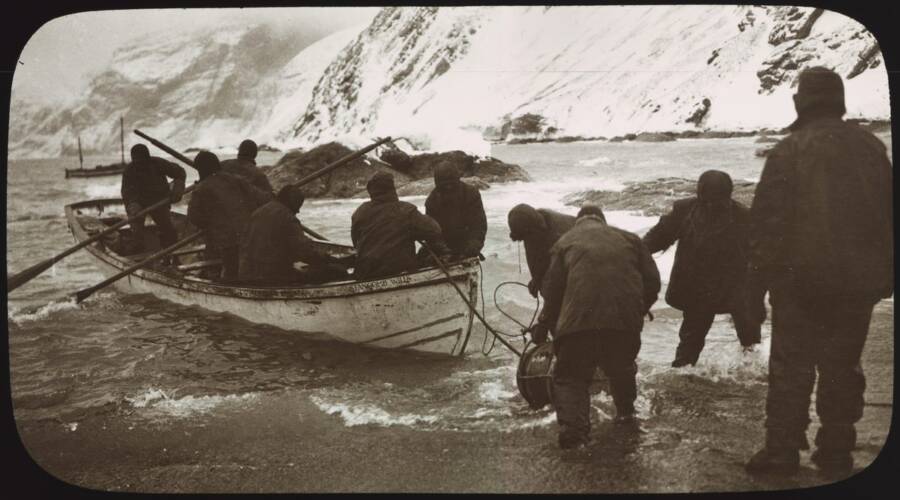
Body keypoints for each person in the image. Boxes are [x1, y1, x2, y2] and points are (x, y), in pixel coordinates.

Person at [744, 67, 893, 478]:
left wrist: (755, 287)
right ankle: (836, 449)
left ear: (800, 103)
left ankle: (782, 450)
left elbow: (766, 227)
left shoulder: (789, 151)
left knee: (792, 366)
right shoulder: (871, 149)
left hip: (799, 284)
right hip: (858, 285)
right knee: (843, 364)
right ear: (839, 100)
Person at [526, 204, 660, 449]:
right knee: (622, 368)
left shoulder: (565, 242)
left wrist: (543, 325)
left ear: (579, 222)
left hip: (578, 326)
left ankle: (575, 434)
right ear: (602, 220)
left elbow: (553, 292)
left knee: (570, 377)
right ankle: (626, 416)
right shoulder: (629, 239)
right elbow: (652, 281)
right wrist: (638, 310)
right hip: (623, 324)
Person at [642, 170, 761, 367]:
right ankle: (683, 375)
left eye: (719, 200)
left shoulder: (743, 217)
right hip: (697, 288)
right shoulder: (684, 210)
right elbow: (656, 238)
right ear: (700, 195)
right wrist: (630, 253)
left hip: (733, 286)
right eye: (708, 200)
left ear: (728, 196)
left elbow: (759, 254)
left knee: (749, 338)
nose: (713, 205)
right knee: (689, 344)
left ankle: (752, 370)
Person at [239, 185, 349, 285]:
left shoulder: (257, 213)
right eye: (298, 205)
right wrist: (331, 260)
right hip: (271, 278)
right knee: (337, 271)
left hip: (247, 273)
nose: (298, 211)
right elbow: (305, 252)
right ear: (292, 202)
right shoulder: (287, 217)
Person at [187, 151, 272, 281]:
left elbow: (194, 217)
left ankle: (223, 281)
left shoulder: (201, 188)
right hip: (249, 233)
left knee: (230, 271)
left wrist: (210, 225)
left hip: (225, 239)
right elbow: (261, 197)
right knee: (248, 267)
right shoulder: (236, 179)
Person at [351, 171, 450, 280]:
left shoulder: (360, 211)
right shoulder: (406, 210)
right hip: (398, 270)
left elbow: (355, 242)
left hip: (365, 272)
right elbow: (434, 230)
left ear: (372, 190)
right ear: (392, 189)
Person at [120, 143, 186, 253]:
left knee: (168, 230)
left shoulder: (158, 163)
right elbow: (127, 193)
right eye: (137, 161)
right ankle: (138, 249)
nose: (140, 164)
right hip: (138, 204)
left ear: (148, 157)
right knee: (137, 231)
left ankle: (173, 254)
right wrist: (132, 204)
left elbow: (180, 172)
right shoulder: (129, 171)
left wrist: (178, 186)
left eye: (143, 161)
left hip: (159, 201)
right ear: (133, 159)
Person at [507, 203, 576, 298]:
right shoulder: (531, 223)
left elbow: (556, 273)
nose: (524, 240)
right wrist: (536, 280)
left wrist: (541, 286)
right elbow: (536, 259)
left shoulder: (557, 236)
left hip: (584, 257)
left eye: (524, 237)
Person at [424, 162, 487, 259]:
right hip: (443, 247)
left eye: (451, 184)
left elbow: (478, 225)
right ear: (438, 184)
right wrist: (443, 251)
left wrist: (473, 247)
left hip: (466, 244)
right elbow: (432, 233)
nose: (448, 187)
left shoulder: (470, 194)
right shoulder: (432, 201)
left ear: (457, 180)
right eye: (444, 185)